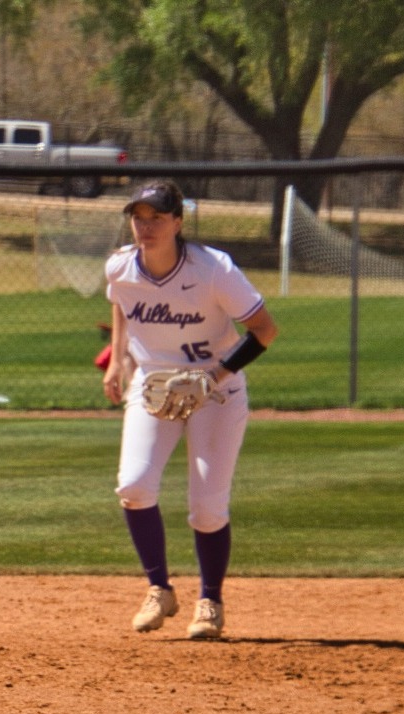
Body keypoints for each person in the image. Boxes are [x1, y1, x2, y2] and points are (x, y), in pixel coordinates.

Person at [102, 179, 279, 639]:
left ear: (178, 222)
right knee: (134, 485)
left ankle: (210, 601)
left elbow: (264, 329)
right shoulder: (120, 266)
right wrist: (119, 359)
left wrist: (215, 376)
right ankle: (160, 588)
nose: (146, 226)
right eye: (138, 217)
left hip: (216, 392)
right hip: (154, 387)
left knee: (207, 508)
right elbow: (121, 303)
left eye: (157, 217)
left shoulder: (213, 269)